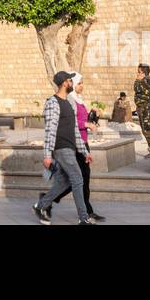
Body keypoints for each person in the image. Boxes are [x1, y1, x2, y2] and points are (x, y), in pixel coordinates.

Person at [32, 71, 92, 225]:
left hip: (71, 147)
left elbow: (75, 131)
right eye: (70, 80)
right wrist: (47, 155)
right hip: (61, 148)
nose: (72, 82)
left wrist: (84, 151)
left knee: (65, 182)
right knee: (78, 179)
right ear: (65, 83)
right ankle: (83, 218)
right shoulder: (53, 103)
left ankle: (41, 205)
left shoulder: (69, 103)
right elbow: (50, 130)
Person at [49, 73, 104, 221]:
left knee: (80, 178)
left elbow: (81, 120)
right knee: (78, 179)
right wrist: (87, 124)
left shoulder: (78, 100)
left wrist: (93, 115)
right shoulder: (68, 101)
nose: (82, 86)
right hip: (73, 145)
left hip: (82, 143)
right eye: (79, 83)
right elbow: (71, 124)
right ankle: (49, 202)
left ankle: (49, 202)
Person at [134, 64, 150, 148]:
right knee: (145, 129)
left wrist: (138, 80)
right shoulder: (144, 80)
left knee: (147, 129)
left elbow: (138, 89)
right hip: (142, 108)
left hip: (145, 108)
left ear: (144, 73)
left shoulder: (147, 80)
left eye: (139, 72)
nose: (137, 74)